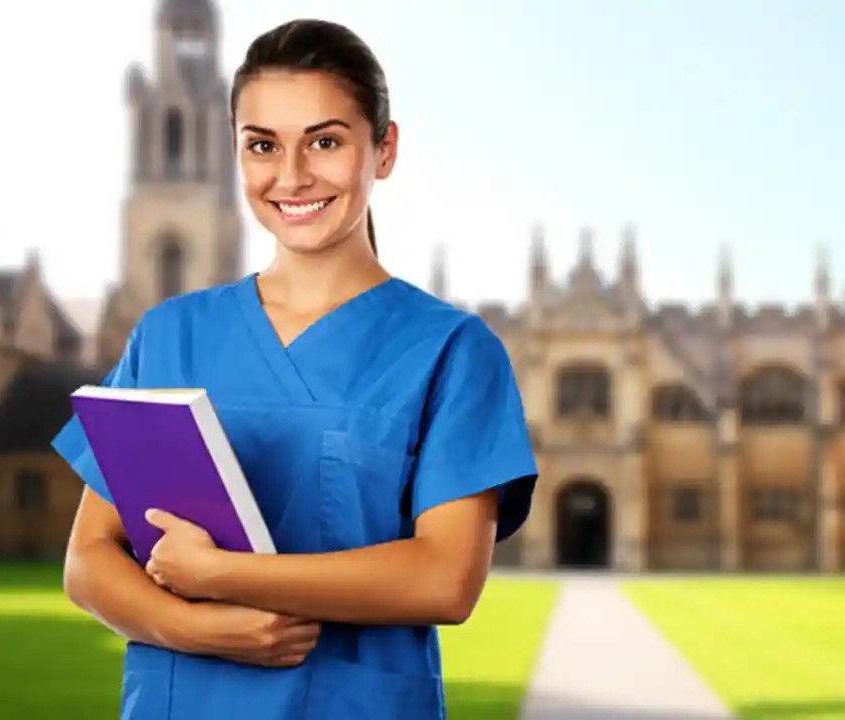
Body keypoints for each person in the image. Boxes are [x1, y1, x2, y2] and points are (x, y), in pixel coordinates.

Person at [51, 18, 538, 720]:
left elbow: (446, 578)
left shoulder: (451, 351)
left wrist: (223, 574)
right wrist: (199, 629)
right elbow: (89, 560)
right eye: (263, 145)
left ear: (385, 149)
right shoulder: (169, 336)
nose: (292, 175)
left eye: (326, 141)